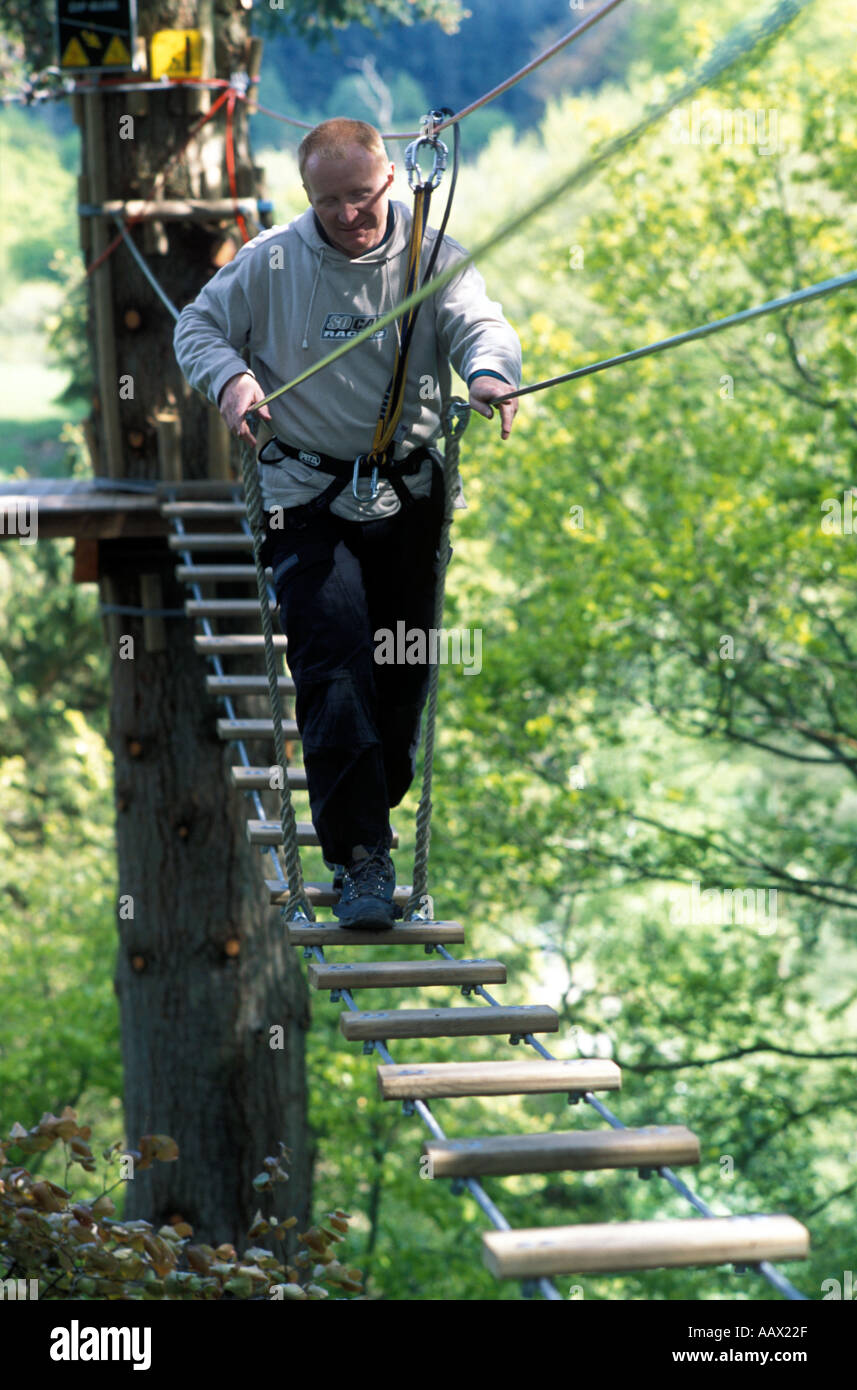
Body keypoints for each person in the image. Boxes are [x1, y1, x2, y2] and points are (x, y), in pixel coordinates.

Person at [174, 117, 521, 928]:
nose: (348, 216)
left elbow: (479, 322)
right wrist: (229, 381)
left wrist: (490, 374)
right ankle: (361, 858)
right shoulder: (272, 261)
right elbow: (197, 325)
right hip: (306, 496)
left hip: (408, 495)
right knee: (333, 673)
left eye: (361, 197)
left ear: (389, 183)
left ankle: (371, 799)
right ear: (307, 197)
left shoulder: (432, 258)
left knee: (398, 684)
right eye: (328, 202)